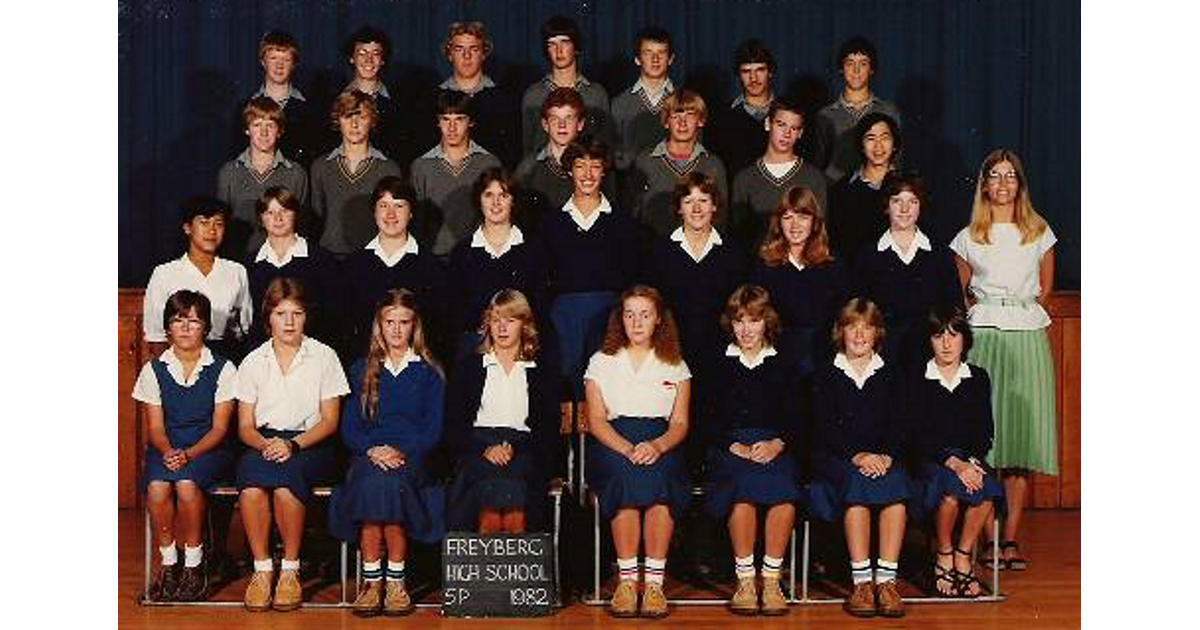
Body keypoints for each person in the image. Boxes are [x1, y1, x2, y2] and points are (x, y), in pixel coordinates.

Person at [949, 148, 1058, 572]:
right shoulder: (969, 235)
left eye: (1010, 176)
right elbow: (958, 291)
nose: (1002, 183)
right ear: (984, 185)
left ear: (1020, 184)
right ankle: (986, 536)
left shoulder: (1039, 232)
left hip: (1026, 338)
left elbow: (1045, 289)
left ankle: (1010, 539)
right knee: (987, 442)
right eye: (994, 176)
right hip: (985, 337)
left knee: (1020, 444)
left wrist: (1019, 313)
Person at [235, 277, 350, 612]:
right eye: (281, 313)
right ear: (268, 317)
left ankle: (289, 570)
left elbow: (329, 420)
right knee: (253, 486)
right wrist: (267, 443)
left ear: (305, 317)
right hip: (264, 442)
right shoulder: (254, 360)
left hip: (310, 445)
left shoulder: (324, 357)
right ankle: (262, 571)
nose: (288, 322)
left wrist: (294, 445)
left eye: (296, 314)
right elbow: (244, 425)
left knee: (286, 484)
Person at [329, 289, 446, 616]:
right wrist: (372, 450)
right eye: (389, 322)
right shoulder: (361, 369)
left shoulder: (429, 372)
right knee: (371, 483)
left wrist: (401, 451)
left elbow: (433, 430)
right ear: (379, 325)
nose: (396, 329)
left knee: (392, 484)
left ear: (414, 326)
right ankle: (371, 583)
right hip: (369, 455)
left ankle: (395, 581)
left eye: (403, 322)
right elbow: (350, 428)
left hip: (413, 457)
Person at [584, 285, 692, 619]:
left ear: (658, 319)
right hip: (615, 441)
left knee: (661, 480)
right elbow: (597, 420)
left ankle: (655, 585)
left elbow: (680, 422)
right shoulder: (601, 361)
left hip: (661, 442)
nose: (637, 322)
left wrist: (657, 446)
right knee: (624, 477)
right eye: (629, 314)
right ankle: (628, 583)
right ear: (621, 319)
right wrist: (627, 448)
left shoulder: (675, 363)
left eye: (645, 314)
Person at [700, 285, 799, 616]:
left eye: (754, 320)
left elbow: (799, 416)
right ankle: (745, 580)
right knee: (741, 490)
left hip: (775, 444)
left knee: (783, 492)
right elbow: (705, 417)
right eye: (739, 320)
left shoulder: (784, 361)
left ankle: (770, 580)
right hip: (729, 445)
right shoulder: (716, 361)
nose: (746, 329)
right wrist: (735, 447)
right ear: (731, 323)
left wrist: (778, 443)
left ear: (766, 321)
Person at [133, 290, 237, 602]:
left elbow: (220, 428)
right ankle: (169, 564)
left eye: (193, 321)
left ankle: (194, 566)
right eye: (178, 320)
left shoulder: (223, 368)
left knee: (188, 485)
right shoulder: (153, 369)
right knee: (158, 489)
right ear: (167, 328)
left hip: (209, 449)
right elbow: (155, 428)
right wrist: (168, 452)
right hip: (167, 448)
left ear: (205, 327)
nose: (186, 327)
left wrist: (189, 454)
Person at [808, 298, 908, 618]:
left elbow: (900, 424)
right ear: (841, 332)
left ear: (877, 332)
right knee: (856, 487)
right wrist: (857, 455)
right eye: (853, 327)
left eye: (867, 327)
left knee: (895, 490)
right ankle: (862, 584)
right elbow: (822, 428)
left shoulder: (892, 374)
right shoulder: (823, 374)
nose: (860, 335)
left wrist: (886, 456)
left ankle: (887, 583)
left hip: (882, 459)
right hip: (839, 459)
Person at [646, 172, 746, 469]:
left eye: (704, 200)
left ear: (716, 205)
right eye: (689, 201)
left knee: (713, 411)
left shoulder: (733, 253)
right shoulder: (660, 252)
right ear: (678, 208)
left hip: (719, 348)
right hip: (673, 348)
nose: (697, 208)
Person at [445, 289, 562, 533]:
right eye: (496, 320)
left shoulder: (540, 371)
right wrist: (485, 449)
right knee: (487, 489)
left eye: (510, 320)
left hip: (525, 449)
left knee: (515, 488)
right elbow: (453, 426)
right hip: (477, 449)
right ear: (487, 323)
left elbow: (548, 430)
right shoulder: (470, 367)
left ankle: (513, 567)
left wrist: (514, 449)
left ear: (524, 324)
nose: (502, 328)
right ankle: (486, 569)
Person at [909, 306, 1003, 598]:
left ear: (965, 340)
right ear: (929, 341)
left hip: (968, 457)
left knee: (986, 490)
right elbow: (915, 435)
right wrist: (954, 464)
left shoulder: (978, 378)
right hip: (930, 459)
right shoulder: (916, 378)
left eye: (954, 335)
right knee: (949, 492)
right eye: (939, 337)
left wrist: (971, 463)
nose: (947, 344)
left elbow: (984, 431)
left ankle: (963, 556)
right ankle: (944, 554)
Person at [539, 138, 641, 398]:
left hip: (609, 313)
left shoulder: (622, 221)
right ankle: (569, 441)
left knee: (606, 386)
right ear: (569, 170)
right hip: (564, 318)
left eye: (595, 166)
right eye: (580, 166)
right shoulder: (551, 223)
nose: (587, 175)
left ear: (604, 170)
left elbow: (632, 277)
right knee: (565, 386)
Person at [853, 172, 961, 370]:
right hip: (881, 357)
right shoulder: (868, 256)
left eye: (912, 201)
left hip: (930, 356)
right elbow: (858, 315)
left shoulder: (940, 255)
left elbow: (954, 311)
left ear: (921, 206)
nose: (904, 209)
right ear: (886, 206)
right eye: (897, 201)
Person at [446, 168, 549, 359]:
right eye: (488, 195)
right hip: (475, 348)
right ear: (479, 200)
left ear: (513, 200)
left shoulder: (533, 249)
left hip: (522, 348)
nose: (496, 203)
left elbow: (540, 308)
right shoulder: (462, 252)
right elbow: (455, 314)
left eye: (503, 195)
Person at [749, 187, 848, 378]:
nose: (795, 225)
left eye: (802, 217)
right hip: (775, 362)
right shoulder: (763, 266)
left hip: (824, 360)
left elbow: (844, 318)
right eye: (787, 217)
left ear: (815, 222)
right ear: (778, 223)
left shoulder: (834, 264)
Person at [342, 177, 441, 360]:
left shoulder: (432, 266)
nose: (390, 214)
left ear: (411, 212)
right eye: (383, 205)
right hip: (365, 369)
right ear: (374, 211)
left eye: (399, 206)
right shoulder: (353, 266)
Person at [143, 197, 253, 360]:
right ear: (187, 228)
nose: (212, 230)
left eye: (219, 223)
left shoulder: (236, 272)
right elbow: (156, 337)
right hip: (178, 360)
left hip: (225, 360)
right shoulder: (164, 274)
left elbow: (245, 327)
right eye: (204, 222)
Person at [310, 89, 403, 257]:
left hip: (374, 257)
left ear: (372, 121)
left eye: (361, 117)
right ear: (338, 121)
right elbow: (315, 220)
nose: (354, 124)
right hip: (330, 256)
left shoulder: (389, 168)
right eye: (347, 117)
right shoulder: (321, 167)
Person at [410, 90, 504, 257]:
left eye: (459, 119)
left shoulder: (489, 163)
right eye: (446, 119)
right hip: (435, 259)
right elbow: (414, 222)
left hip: (478, 258)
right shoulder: (421, 166)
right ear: (438, 122)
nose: (452, 128)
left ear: (471, 122)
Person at [730, 97, 828, 256]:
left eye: (794, 128)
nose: (787, 134)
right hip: (757, 271)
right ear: (768, 124)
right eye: (781, 125)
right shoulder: (745, 178)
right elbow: (739, 237)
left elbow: (820, 233)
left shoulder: (813, 178)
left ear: (800, 133)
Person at [629, 88, 728, 238]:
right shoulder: (645, 161)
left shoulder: (713, 165)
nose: (682, 122)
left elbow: (721, 219)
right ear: (666, 122)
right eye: (676, 115)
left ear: (701, 121)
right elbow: (632, 212)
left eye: (690, 115)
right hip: (653, 251)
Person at [218, 96, 310, 257]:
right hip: (240, 260)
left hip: (283, 261)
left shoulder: (296, 173)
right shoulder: (229, 172)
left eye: (270, 125)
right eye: (257, 125)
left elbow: (302, 226)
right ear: (247, 129)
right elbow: (221, 225)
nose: (264, 132)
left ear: (280, 131)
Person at [245, 186, 335, 350]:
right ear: (261, 218)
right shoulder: (249, 264)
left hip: (311, 355)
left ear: (295, 214)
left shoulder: (322, 260)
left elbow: (333, 318)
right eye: (270, 212)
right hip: (262, 357)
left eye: (285, 211)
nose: (278, 218)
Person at [515, 87, 617, 228]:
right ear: (545, 124)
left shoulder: (598, 166)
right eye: (555, 118)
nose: (562, 125)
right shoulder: (528, 169)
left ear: (580, 124)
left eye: (569, 118)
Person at [814, 36, 902, 182]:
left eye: (863, 64)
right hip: (837, 192)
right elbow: (818, 164)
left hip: (879, 191)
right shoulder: (826, 115)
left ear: (871, 69)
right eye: (850, 63)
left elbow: (897, 160)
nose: (856, 70)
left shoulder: (888, 111)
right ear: (841, 69)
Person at [520, 15, 611, 157]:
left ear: (576, 47)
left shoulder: (596, 94)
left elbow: (606, 146)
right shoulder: (534, 95)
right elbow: (528, 149)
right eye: (552, 44)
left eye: (565, 42)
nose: (559, 50)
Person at [434, 21, 519, 167]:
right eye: (459, 49)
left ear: (483, 54)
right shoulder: (433, 99)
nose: (467, 56)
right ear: (449, 55)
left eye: (474, 49)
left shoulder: (504, 100)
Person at [234, 30, 317, 167]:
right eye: (273, 58)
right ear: (262, 61)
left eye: (286, 59)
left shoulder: (310, 108)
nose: (279, 65)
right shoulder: (245, 107)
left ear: (294, 64)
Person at [827, 112, 902, 263]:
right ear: (861, 145)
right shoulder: (841, 190)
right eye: (870, 138)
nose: (878, 146)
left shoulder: (907, 188)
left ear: (894, 144)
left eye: (885, 138)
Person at [335, 26, 412, 165]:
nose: (368, 60)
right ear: (352, 58)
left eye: (375, 54)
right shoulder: (335, 101)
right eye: (362, 53)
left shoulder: (399, 104)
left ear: (382, 60)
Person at [611, 27, 675, 173]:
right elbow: (615, 158)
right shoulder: (620, 104)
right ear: (637, 59)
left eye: (661, 52)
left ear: (671, 59)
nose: (655, 59)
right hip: (634, 189)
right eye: (648, 53)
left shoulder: (685, 102)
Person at [711, 39, 778, 179]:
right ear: (739, 75)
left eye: (760, 70)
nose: (753, 78)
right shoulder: (721, 118)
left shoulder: (788, 115)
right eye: (746, 71)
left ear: (770, 72)